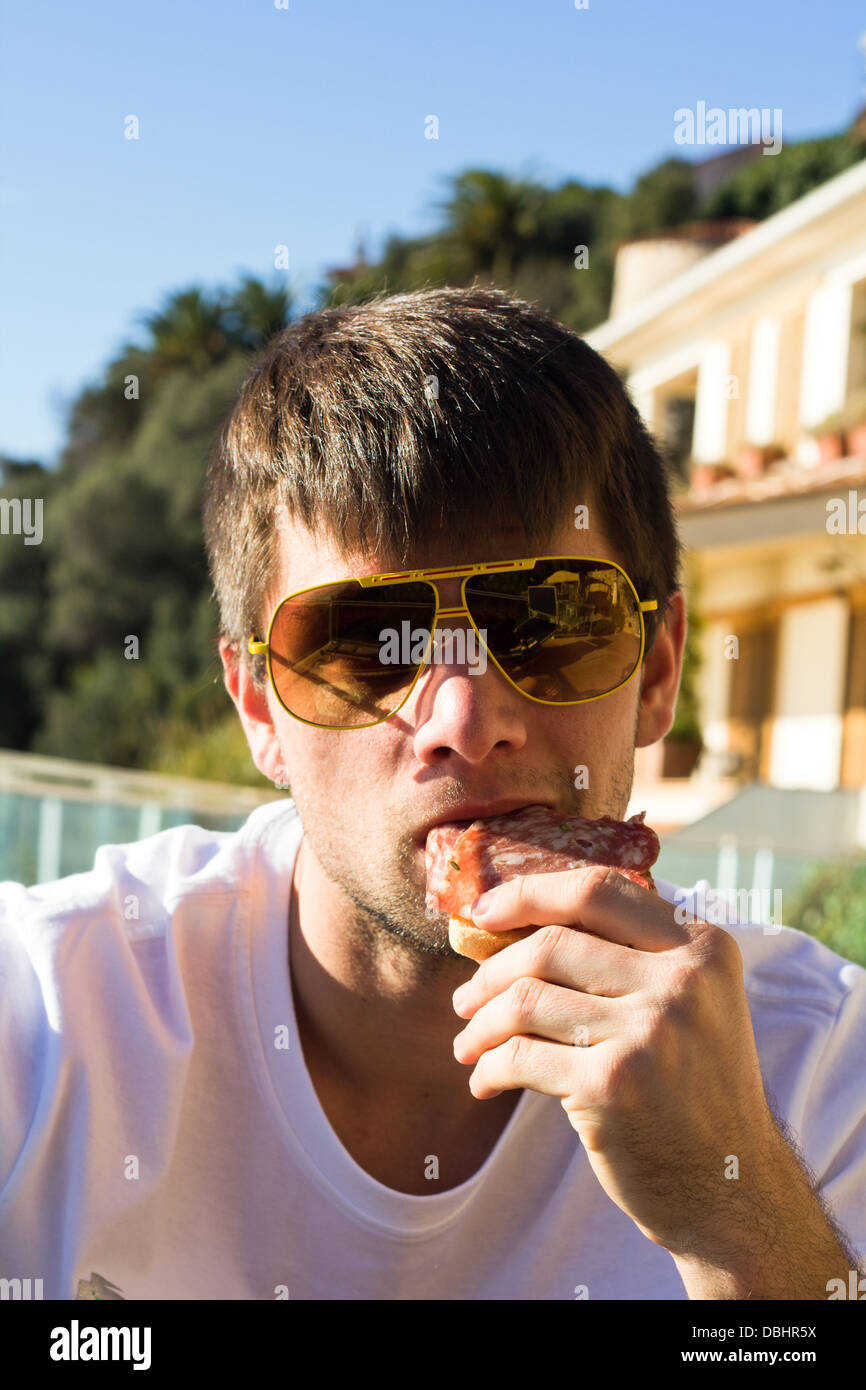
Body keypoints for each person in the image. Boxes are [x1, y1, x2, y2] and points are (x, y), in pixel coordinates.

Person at [1, 286, 864, 1301]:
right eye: (367, 641)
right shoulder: (43, 1029)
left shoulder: (821, 1073)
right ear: (259, 705)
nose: (464, 716)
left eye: (546, 619)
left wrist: (741, 1225)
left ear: (658, 666)